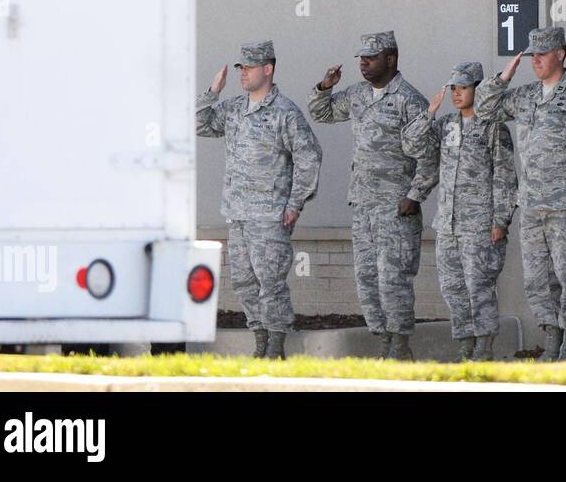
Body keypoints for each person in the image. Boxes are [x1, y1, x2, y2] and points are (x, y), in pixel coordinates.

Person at [474, 26, 566, 362]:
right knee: (537, 278)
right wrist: (503, 76)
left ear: (561, 54)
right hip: (533, 204)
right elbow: (484, 109)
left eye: (542, 54)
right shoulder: (525, 96)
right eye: (531, 54)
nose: (534, 60)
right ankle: (550, 338)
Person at [308, 31, 437, 360]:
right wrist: (326, 86)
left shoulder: (410, 100)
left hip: (396, 208)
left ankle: (400, 346)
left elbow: (431, 155)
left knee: (393, 280)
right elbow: (321, 114)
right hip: (363, 205)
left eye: (371, 57)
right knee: (367, 279)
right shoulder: (358, 95)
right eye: (361, 58)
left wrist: (415, 195)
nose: (363, 63)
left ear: (390, 59)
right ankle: (382, 342)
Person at [196, 40, 322, 360]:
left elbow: (309, 156)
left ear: (268, 69)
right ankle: (260, 339)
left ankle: (277, 344)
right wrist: (213, 91)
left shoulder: (285, 113)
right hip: (237, 213)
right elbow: (199, 123)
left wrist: (295, 203)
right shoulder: (234, 108)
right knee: (243, 281)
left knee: (271, 283)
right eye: (241, 68)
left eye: (249, 67)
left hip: (270, 215)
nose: (243, 73)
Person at [402, 62, 517, 361]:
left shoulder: (494, 127)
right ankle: (465, 345)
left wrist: (500, 220)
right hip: (448, 224)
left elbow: (505, 176)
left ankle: (484, 347)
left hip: (480, 224)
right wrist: (430, 112)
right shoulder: (446, 126)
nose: (456, 93)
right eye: (453, 88)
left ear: (478, 89)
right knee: (453, 288)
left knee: (479, 287)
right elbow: (412, 145)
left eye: (463, 87)